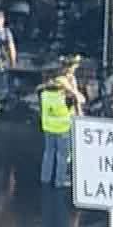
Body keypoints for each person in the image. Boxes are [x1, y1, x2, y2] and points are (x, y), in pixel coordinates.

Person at [37, 59, 85, 189]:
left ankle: (45, 179)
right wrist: (74, 90)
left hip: (47, 126)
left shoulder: (44, 92)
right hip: (63, 127)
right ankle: (59, 181)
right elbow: (80, 99)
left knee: (48, 153)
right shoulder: (65, 89)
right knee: (63, 156)